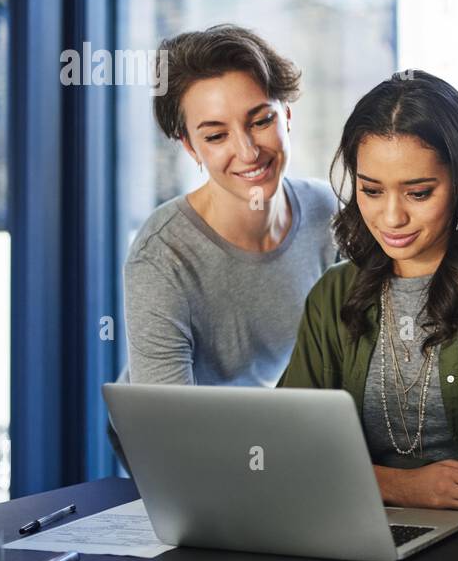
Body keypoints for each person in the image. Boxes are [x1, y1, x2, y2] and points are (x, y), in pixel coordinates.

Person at [278, 71, 458, 514]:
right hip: (354, 531)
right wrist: (402, 486)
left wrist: (353, 478)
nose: (392, 217)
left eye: (419, 193)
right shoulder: (334, 293)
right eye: (371, 190)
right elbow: (285, 449)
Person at [113, 25, 337, 468]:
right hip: (174, 431)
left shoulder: (327, 213)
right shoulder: (162, 255)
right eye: (216, 136)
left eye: (260, 120)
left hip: (271, 422)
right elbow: (173, 430)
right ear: (191, 147)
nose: (248, 151)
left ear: (286, 115)